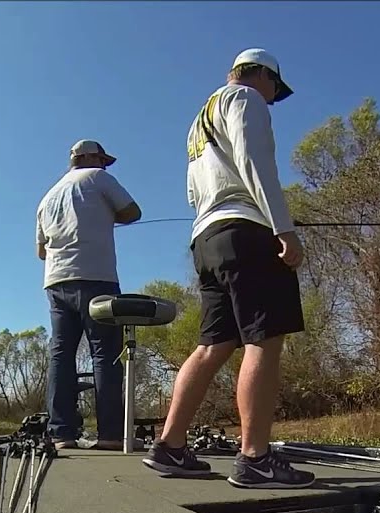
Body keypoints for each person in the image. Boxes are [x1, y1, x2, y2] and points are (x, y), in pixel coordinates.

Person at [142, 49, 315, 489]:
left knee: (212, 345)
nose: (274, 98)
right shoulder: (244, 99)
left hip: (206, 239)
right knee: (264, 339)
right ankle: (255, 458)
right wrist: (284, 227)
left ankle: (170, 446)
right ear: (261, 76)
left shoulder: (199, 120)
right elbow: (254, 159)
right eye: (276, 88)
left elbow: (191, 190)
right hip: (246, 231)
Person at [37, 139, 142, 450]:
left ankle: (61, 434)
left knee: (60, 355)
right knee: (106, 354)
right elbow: (133, 212)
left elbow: (41, 251)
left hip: (56, 282)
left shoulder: (47, 197)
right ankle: (110, 436)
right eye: (101, 159)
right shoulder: (98, 178)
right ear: (88, 157)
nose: (105, 165)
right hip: (96, 279)